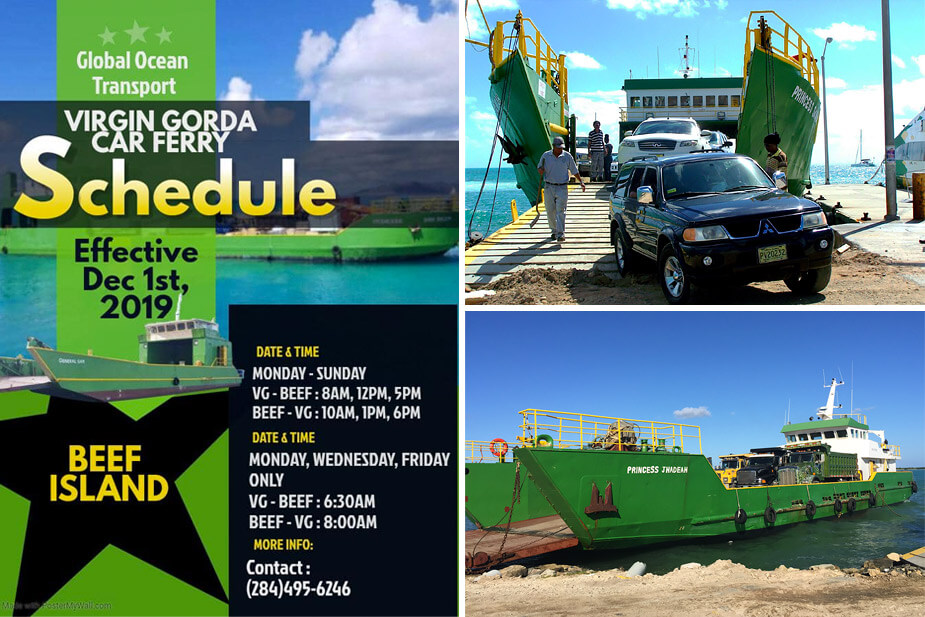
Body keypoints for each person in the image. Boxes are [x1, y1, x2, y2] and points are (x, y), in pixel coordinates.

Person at [537, 136, 586, 243]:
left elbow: (574, 170)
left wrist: (581, 182)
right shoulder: (546, 156)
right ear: (553, 146)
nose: (560, 149)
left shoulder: (567, 156)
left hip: (562, 187)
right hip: (549, 186)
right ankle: (554, 231)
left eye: (561, 147)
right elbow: (539, 167)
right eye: (558, 147)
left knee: (561, 211)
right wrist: (540, 170)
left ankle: (560, 234)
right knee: (550, 211)